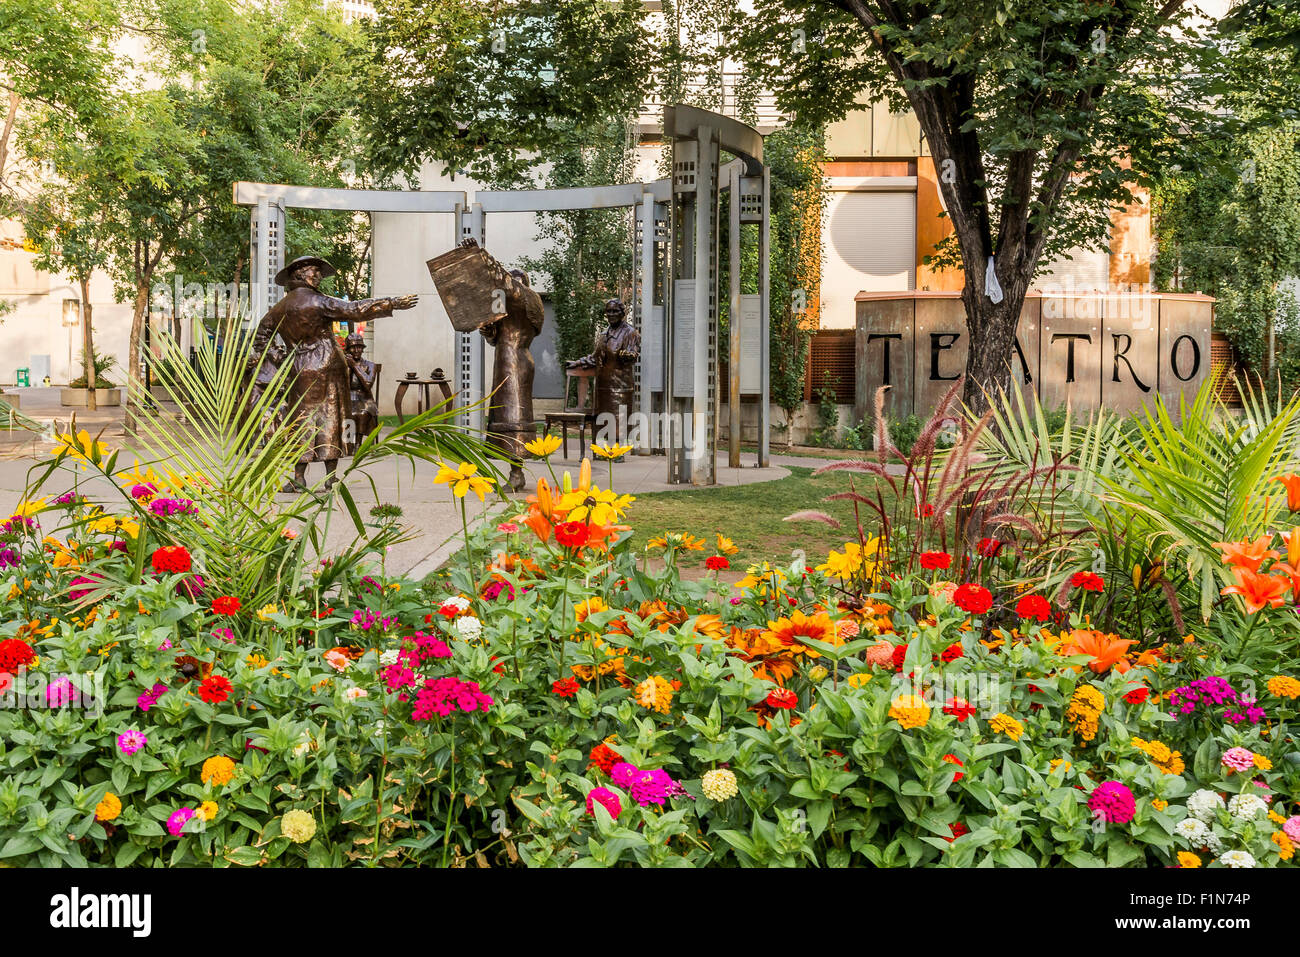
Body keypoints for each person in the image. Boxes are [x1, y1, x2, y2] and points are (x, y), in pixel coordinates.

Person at [250, 255, 417, 491]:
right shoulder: (319, 302)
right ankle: (330, 478)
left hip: (300, 369)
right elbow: (355, 309)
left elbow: (261, 337)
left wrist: (282, 357)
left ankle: (299, 477)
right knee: (333, 417)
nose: (317, 275)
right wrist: (392, 303)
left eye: (318, 271)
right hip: (328, 367)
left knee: (301, 420)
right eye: (312, 271)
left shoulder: (280, 308)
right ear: (298, 275)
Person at [480, 267, 544, 491]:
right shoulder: (503, 306)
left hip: (517, 362)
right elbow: (495, 337)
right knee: (503, 415)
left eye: (516, 284)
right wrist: (488, 331)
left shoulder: (531, 302)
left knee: (515, 416)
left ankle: (516, 473)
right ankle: (510, 470)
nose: (511, 288)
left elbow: (528, 327)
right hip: (503, 362)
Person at [567, 298, 640, 431]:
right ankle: (604, 452)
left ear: (622, 313)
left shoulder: (630, 332)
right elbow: (594, 358)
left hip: (620, 390)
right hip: (602, 389)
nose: (611, 314)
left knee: (618, 430)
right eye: (608, 311)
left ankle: (618, 452)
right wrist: (576, 363)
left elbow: (632, 353)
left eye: (615, 311)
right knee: (603, 429)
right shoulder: (603, 334)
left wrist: (628, 356)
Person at [343, 333, 380, 452]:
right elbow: (343, 386)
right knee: (348, 412)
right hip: (348, 398)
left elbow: (368, 385)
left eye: (359, 347)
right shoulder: (343, 365)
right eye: (353, 347)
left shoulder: (370, 365)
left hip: (365, 399)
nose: (357, 350)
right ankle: (347, 444)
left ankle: (358, 444)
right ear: (348, 350)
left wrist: (355, 367)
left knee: (363, 412)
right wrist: (347, 368)